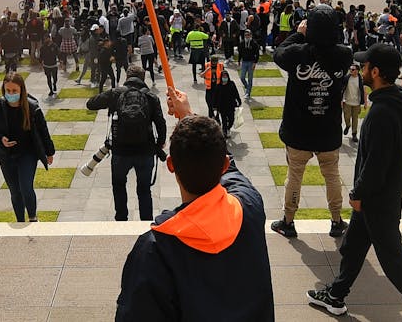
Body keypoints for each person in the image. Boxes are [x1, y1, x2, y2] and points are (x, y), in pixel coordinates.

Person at [115, 89, 272, 320]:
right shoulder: (249, 206)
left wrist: (186, 118)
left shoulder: (156, 250)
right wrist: (187, 115)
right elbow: (230, 170)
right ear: (224, 164)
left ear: (170, 165)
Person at [308, 43, 402, 322]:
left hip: (377, 199)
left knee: (392, 259)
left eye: (365, 66)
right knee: (353, 247)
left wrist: (358, 193)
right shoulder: (397, 101)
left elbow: (375, 164)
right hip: (380, 195)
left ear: (375, 72)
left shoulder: (381, 113)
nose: (361, 69)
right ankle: (335, 296)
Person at [270, 5, 352, 239]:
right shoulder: (343, 55)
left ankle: (288, 221)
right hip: (328, 129)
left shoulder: (298, 53)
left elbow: (279, 52)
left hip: (298, 130)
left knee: (294, 176)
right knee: (332, 175)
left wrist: (299, 33)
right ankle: (336, 221)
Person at [86, 64, 167, 221]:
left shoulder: (117, 94)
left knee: (118, 186)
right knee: (144, 190)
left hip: (120, 151)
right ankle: (145, 222)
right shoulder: (151, 97)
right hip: (145, 151)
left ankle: (121, 219)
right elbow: (160, 123)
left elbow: (91, 104)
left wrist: (111, 95)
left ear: (127, 78)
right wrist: (160, 143)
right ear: (143, 79)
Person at [0, 72, 55, 222]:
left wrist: (49, 152)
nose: (11, 94)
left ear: (21, 90)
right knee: (15, 191)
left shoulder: (32, 108)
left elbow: (43, 131)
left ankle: (33, 217)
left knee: (26, 187)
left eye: (14, 91)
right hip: (6, 155)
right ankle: (20, 221)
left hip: (27, 154)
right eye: (8, 91)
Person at [206, 66, 241, 138]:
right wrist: (214, 106)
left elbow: (236, 93)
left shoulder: (231, 84)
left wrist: (238, 100)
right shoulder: (218, 86)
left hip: (231, 105)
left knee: (231, 119)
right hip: (222, 107)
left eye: (226, 76)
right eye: (223, 76)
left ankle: (228, 128)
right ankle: (225, 132)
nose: (224, 78)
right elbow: (215, 97)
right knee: (224, 121)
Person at [341, 63, 365, 143]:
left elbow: (363, 91)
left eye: (353, 69)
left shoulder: (360, 80)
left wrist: (364, 103)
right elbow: (342, 89)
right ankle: (348, 125)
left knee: (355, 119)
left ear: (357, 71)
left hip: (356, 103)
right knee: (346, 116)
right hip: (347, 101)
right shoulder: (347, 78)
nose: (351, 70)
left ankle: (354, 134)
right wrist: (341, 99)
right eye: (350, 69)